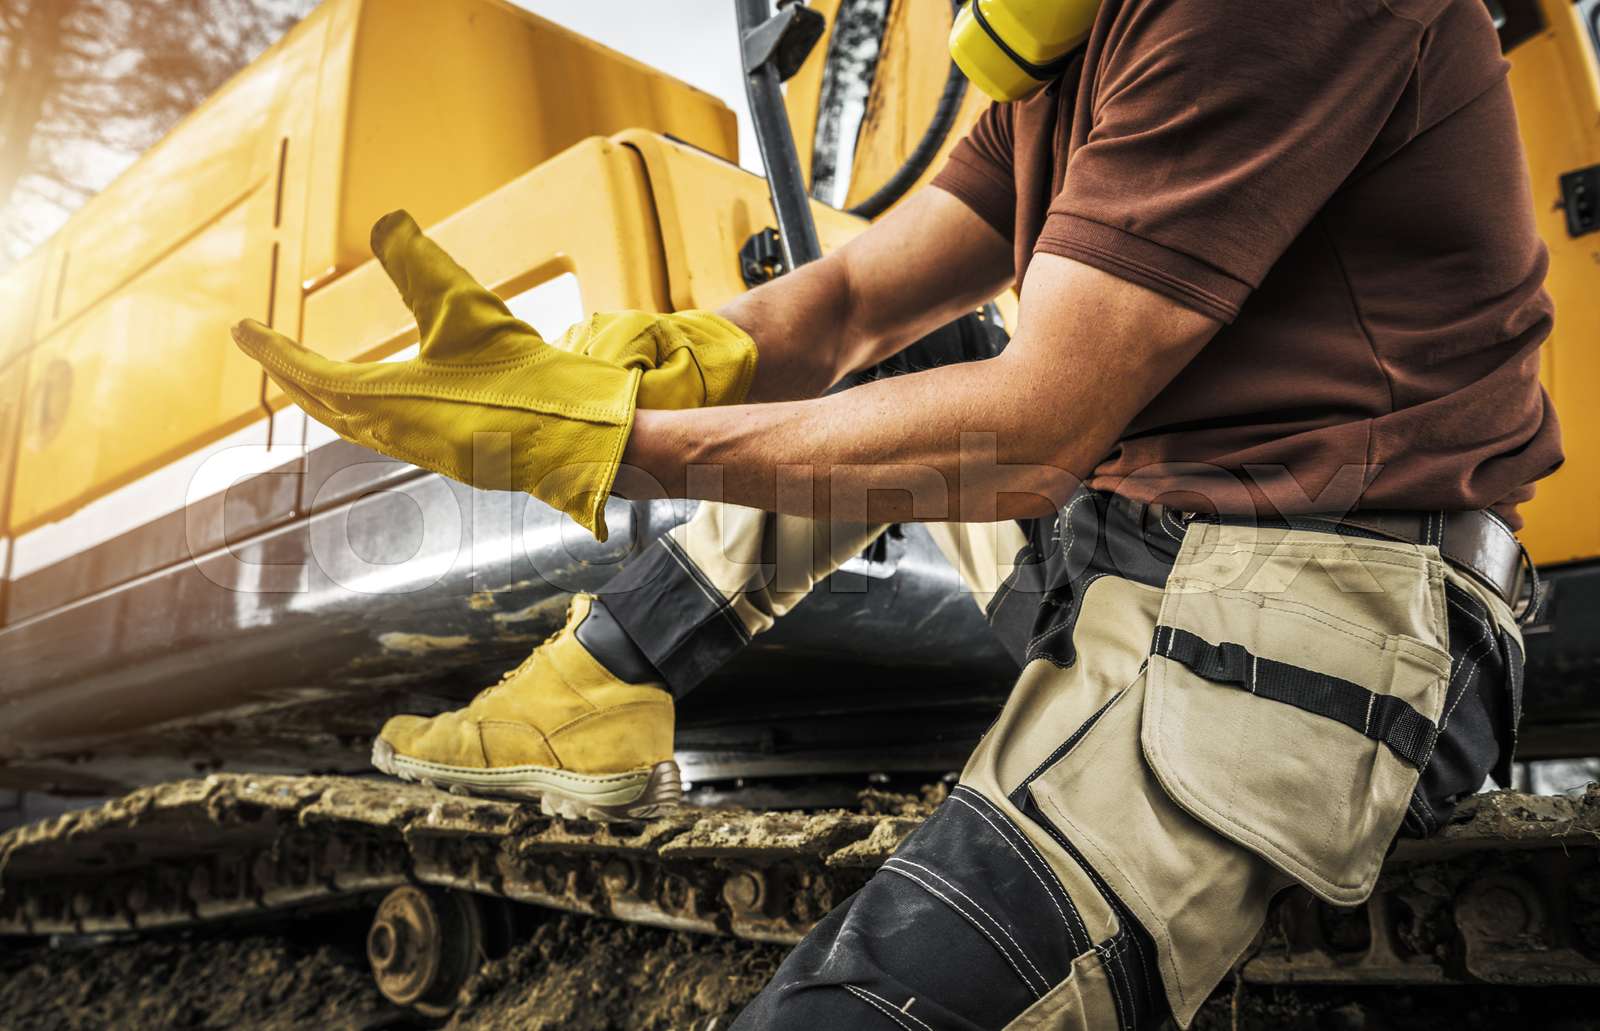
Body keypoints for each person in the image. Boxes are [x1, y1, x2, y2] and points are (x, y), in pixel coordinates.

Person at [233, 0, 1562, 1024]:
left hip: (1320, 618)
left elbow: (1031, 430)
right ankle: (593, 689)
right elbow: (852, 304)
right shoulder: (1061, 73)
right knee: (918, 355)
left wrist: (623, 448)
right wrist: (655, 364)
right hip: (1128, 561)